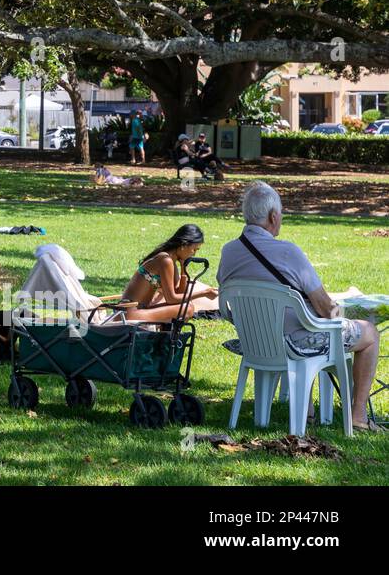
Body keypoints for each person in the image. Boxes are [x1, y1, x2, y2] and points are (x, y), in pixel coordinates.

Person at [218, 181, 381, 431]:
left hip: (255, 341)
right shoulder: (288, 252)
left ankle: (307, 412)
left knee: (304, 320)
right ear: (274, 216)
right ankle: (358, 416)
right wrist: (342, 316)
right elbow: (326, 308)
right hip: (296, 343)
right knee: (368, 332)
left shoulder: (228, 252)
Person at [118, 224, 219, 322]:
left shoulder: (170, 261)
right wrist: (204, 293)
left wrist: (183, 268)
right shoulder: (165, 260)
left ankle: (165, 335)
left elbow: (180, 295)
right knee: (187, 309)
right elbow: (171, 299)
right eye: (194, 249)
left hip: (137, 311)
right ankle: (167, 336)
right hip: (128, 313)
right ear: (183, 245)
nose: (194, 254)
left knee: (187, 307)